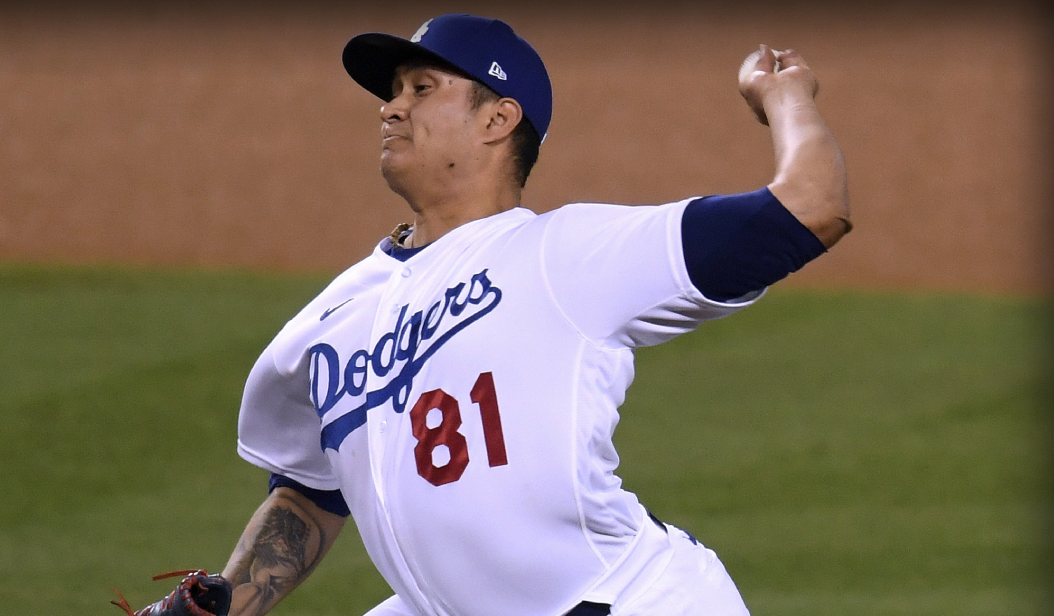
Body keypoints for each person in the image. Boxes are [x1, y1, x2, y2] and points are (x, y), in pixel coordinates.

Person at [139, 12, 850, 616]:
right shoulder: (329, 321)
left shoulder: (566, 255)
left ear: (498, 118)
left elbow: (810, 206)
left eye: (421, 89)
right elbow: (310, 493)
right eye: (392, 93)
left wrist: (785, 95)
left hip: (635, 601)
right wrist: (226, 602)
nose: (391, 108)